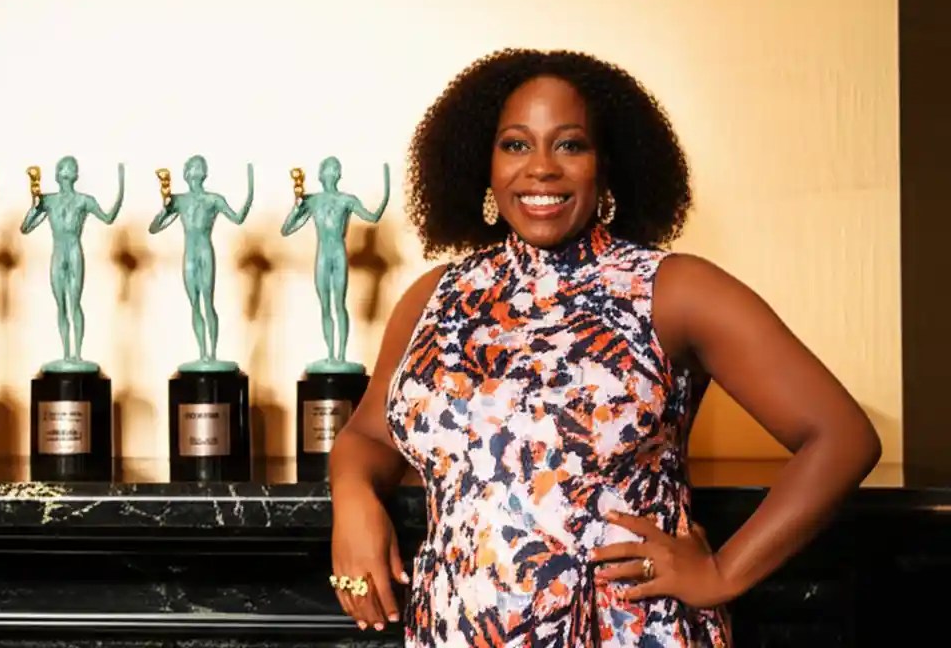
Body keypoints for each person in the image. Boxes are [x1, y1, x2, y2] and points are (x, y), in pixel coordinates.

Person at [327, 48, 881, 647]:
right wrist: (353, 501)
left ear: (607, 165)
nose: (541, 168)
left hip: (622, 631)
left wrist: (722, 573)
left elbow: (841, 436)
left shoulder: (672, 290)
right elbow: (370, 436)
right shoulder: (435, 296)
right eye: (516, 145)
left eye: (570, 145)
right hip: (456, 630)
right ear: (482, 164)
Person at [279, 156, 390, 373]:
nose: (330, 173)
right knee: (325, 305)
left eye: (333, 169)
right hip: (323, 255)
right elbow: (286, 229)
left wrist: (385, 194)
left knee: (339, 304)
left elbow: (373, 217)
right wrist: (296, 207)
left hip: (338, 253)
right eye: (326, 169)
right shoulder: (313, 200)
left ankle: (340, 356)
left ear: (338, 174)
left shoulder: (346, 200)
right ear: (320, 175)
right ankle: (331, 355)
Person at [148, 155, 254, 371]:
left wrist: (250, 195)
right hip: (190, 253)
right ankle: (202, 353)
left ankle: (211, 354)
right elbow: (154, 228)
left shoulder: (213, 200)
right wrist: (165, 208)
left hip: (205, 251)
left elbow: (237, 218)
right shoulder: (178, 200)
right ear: (186, 174)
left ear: (204, 173)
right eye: (193, 167)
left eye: (200, 167)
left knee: (207, 300)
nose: (196, 171)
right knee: (195, 303)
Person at [20, 156, 125, 371]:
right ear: (57, 174)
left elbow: (107, 218)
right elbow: (25, 228)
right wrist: (34, 207)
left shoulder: (84, 200)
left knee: (75, 302)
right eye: (63, 168)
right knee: (61, 304)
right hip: (59, 252)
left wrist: (120, 193)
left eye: (71, 168)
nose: (67, 171)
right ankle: (66, 353)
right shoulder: (48, 200)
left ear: (76, 174)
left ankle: (77, 354)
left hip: (74, 250)